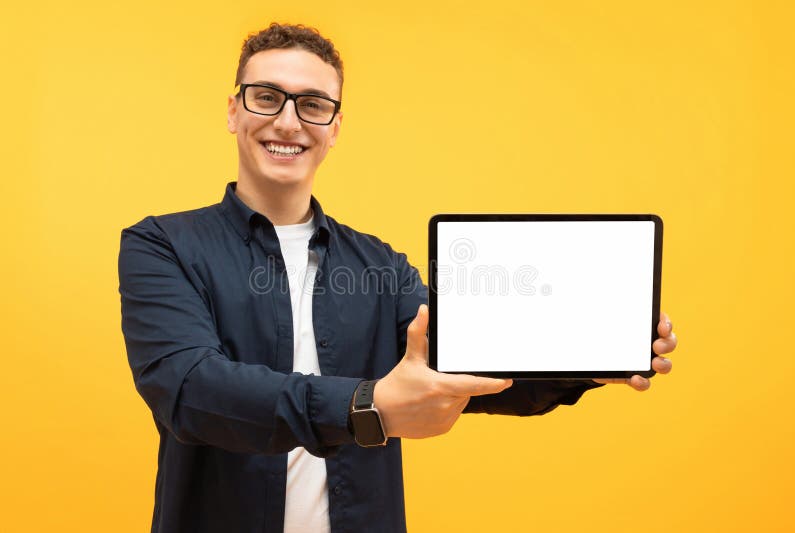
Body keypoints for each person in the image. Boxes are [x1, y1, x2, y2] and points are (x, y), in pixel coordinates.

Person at [118, 23, 677, 533]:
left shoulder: (378, 265)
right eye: (267, 97)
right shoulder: (162, 245)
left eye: (312, 104)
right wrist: (371, 403)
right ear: (234, 110)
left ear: (334, 128)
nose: (287, 121)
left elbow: (463, 361)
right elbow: (191, 391)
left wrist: (590, 353)